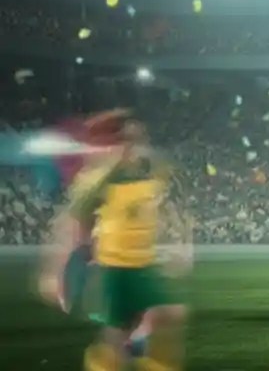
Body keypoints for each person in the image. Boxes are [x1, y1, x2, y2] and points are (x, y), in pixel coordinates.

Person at [39, 114, 190, 371]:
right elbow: (75, 222)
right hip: (116, 268)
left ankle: (135, 346)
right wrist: (58, 270)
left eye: (138, 139)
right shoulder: (100, 180)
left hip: (143, 264)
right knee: (117, 332)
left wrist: (179, 244)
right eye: (127, 139)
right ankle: (119, 355)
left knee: (165, 315)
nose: (133, 146)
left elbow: (162, 210)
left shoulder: (149, 173)